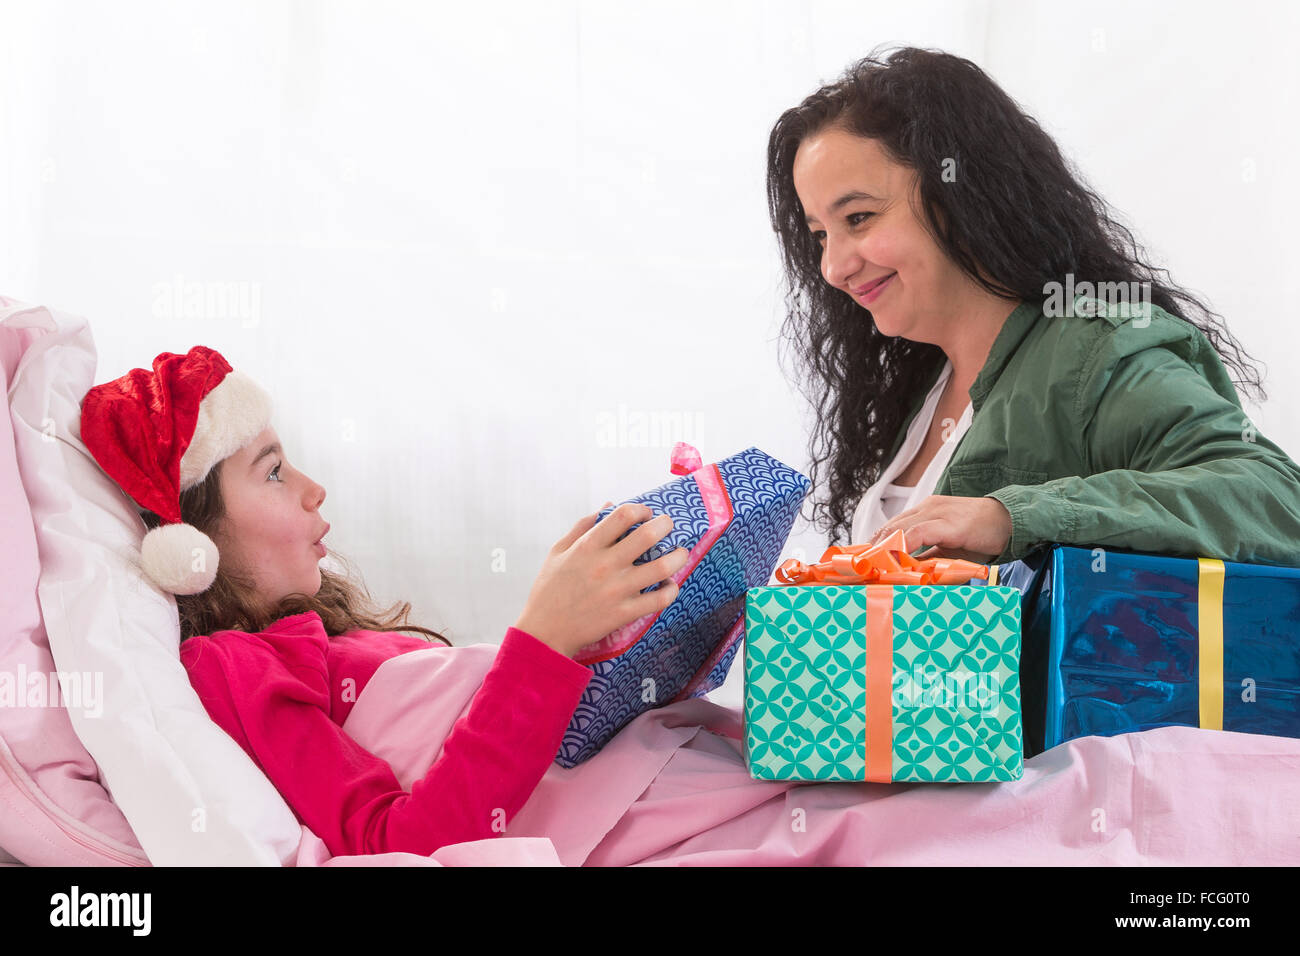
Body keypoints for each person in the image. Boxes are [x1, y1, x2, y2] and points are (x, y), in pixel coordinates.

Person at [79, 344, 689, 857]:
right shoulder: (232, 665)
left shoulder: (337, 641)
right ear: (194, 540)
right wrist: (544, 641)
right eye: (272, 473)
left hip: (663, 769)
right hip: (642, 816)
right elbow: (399, 846)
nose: (315, 490)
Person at [767, 46, 1300, 567]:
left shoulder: (1093, 353)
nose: (832, 268)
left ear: (958, 194)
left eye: (858, 218)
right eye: (819, 234)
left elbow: (1276, 500)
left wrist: (1012, 516)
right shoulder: (925, 386)